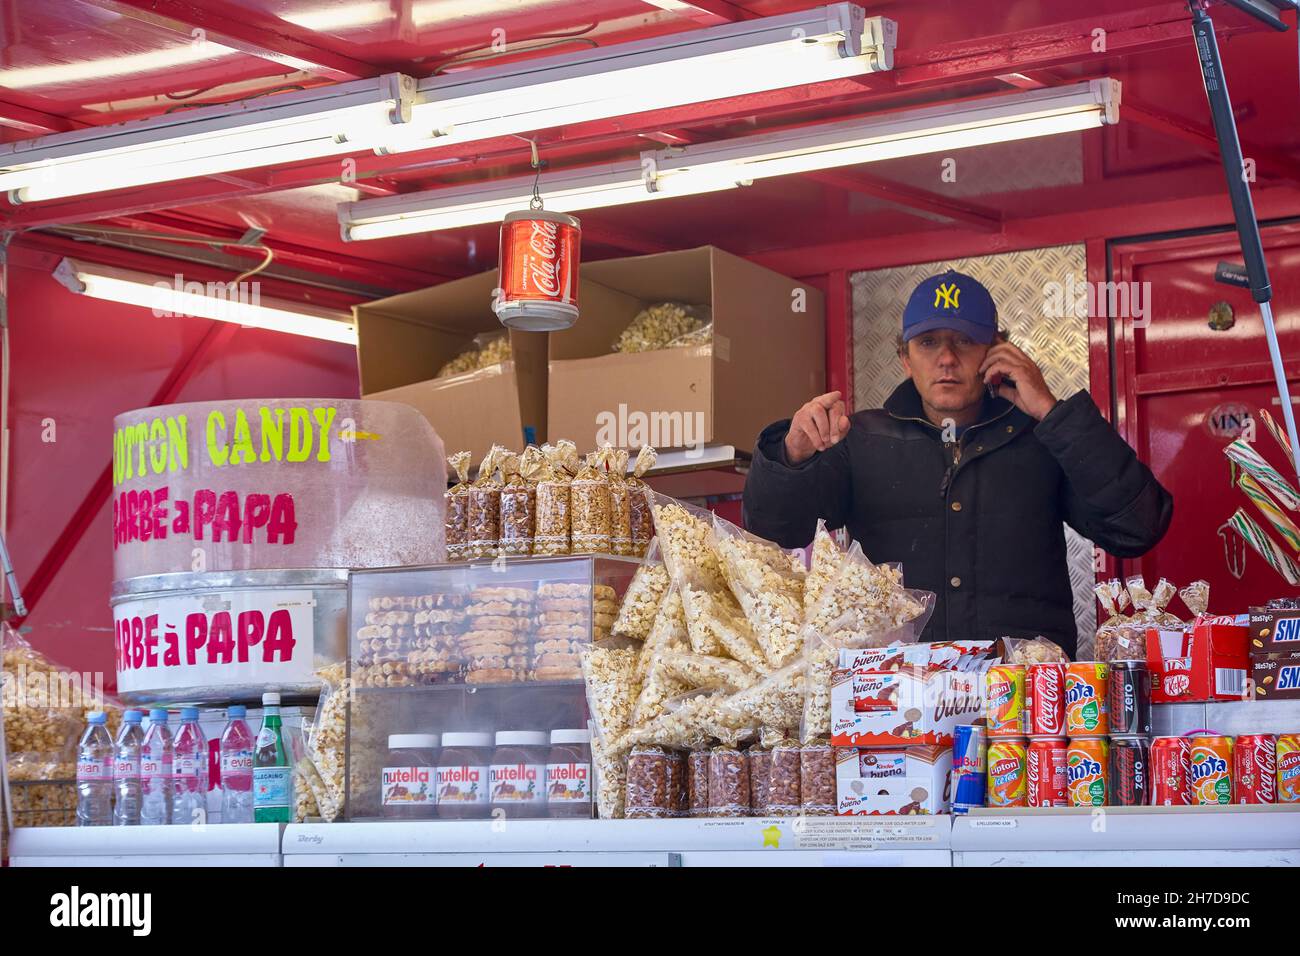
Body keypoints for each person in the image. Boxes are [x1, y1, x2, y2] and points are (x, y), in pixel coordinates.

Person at [742, 269, 1172, 657]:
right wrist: (790, 455)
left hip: (1023, 694)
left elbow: (1137, 527)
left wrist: (1052, 412)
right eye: (928, 342)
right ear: (905, 359)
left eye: (964, 340)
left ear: (997, 352)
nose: (946, 358)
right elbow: (775, 534)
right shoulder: (862, 439)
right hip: (899, 695)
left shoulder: (1040, 436)